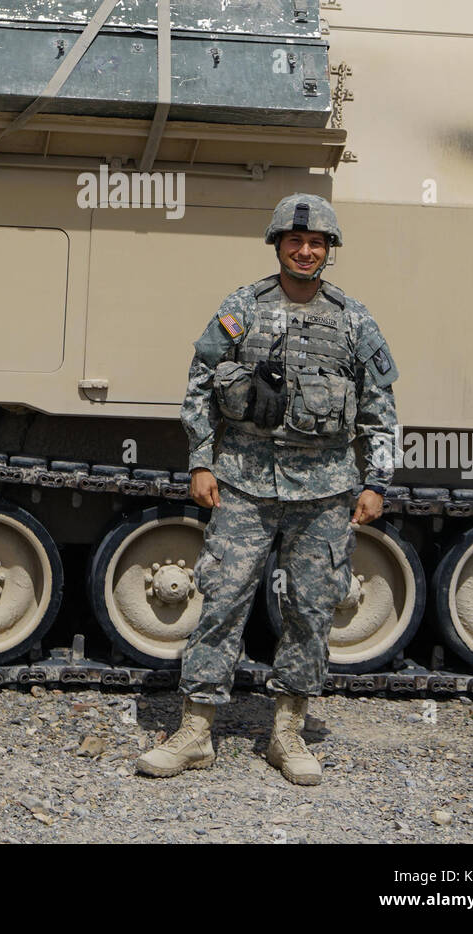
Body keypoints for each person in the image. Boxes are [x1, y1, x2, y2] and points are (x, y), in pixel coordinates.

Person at [136, 193, 398, 784]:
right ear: (278, 244)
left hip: (326, 491)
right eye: (294, 241)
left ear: (329, 251)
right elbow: (200, 382)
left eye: (316, 243)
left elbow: (381, 409)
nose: (305, 251)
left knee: (310, 608)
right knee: (222, 599)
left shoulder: (354, 319)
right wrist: (201, 461)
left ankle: (287, 733)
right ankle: (196, 730)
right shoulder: (243, 307)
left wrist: (376, 480)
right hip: (244, 484)